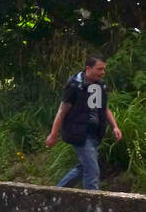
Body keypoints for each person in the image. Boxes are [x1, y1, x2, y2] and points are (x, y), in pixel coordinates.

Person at [45, 53, 122, 190]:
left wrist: (115, 127)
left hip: (94, 134)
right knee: (92, 171)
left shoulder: (99, 86)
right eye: (99, 69)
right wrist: (53, 134)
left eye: (104, 69)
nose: (103, 72)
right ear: (88, 68)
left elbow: (103, 109)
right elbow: (62, 111)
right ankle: (92, 207)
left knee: (84, 167)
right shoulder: (74, 86)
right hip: (78, 133)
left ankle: (57, 193)